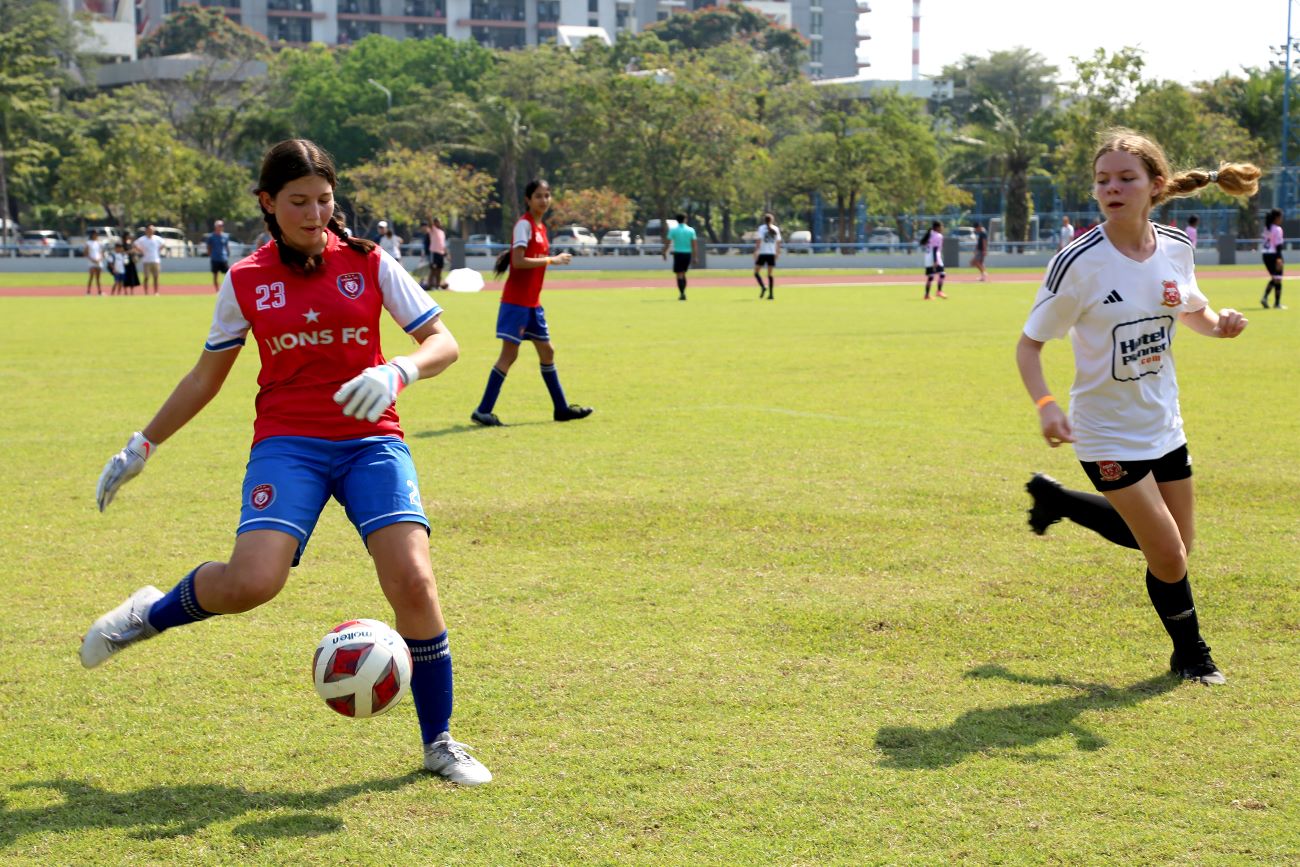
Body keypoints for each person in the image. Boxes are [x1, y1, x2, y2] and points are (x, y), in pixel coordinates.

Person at [83, 138, 492, 786]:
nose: (314, 214)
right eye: (298, 202)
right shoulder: (246, 279)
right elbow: (205, 377)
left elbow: (443, 341)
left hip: (372, 441)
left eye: (324, 200)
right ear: (267, 203)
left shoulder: (368, 261)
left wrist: (397, 370)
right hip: (288, 443)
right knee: (253, 582)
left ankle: (439, 741)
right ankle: (147, 614)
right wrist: (142, 445)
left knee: (414, 580)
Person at [1016, 127, 1260, 686]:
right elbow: (1029, 345)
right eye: (1103, 180)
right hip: (1103, 432)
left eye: (1126, 178)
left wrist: (1220, 325)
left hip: (1164, 424)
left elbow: (1190, 309)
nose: (1112, 188)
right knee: (1168, 552)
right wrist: (1047, 404)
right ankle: (1192, 655)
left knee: (1172, 548)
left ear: (1155, 184)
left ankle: (1059, 500)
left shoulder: (1176, 247)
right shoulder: (1077, 262)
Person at [471, 179, 592, 427]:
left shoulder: (541, 227)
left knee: (547, 351)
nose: (544, 200)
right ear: (528, 199)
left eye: (547, 195)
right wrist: (551, 260)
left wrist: (549, 260)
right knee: (509, 356)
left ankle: (561, 409)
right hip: (516, 303)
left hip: (532, 304)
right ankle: (483, 411)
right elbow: (518, 261)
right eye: (538, 196)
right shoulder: (524, 225)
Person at [663, 213, 697, 301]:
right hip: (687, 254)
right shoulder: (691, 230)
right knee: (683, 273)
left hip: (678, 254)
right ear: (685, 219)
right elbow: (694, 245)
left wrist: (664, 252)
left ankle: (682, 293)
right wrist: (695, 257)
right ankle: (683, 292)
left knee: (679, 274)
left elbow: (668, 242)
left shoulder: (673, 230)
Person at [753, 212, 781, 300]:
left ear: (764, 220)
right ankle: (771, 295)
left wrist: (756, 251)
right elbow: (778, 242)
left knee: (756, 272)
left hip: (763, 253)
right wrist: (777, 252)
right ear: (772, 220)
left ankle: (763, 287)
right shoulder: (776, 229)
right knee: (770, 274)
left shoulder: (761, 228)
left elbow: (759, 241)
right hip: (771, 253)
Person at [1261, 208, 1285, 310]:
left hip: (1265, 255)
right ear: (1276, 218)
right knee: (1278, 278)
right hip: (1274, 255)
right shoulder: (1277, 229)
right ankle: (1277, 303)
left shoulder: (1267, 228)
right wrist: (1279, 259)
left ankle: (1265, 298)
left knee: (1275, 278)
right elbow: (1278, 245)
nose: (1281, 220)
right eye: (1280, 217)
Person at [134, 224, 165, 295]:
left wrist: (159, 250)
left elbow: (163, 244)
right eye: (150, 229)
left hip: (156, 260)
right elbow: (135, 244)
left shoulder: (157, 238)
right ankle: (146, 292)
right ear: (146, 230)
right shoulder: (142, 239)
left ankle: (156, 292)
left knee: (156, 277)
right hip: (146, 261)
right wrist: (141, 251)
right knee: (146, 277)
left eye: (153, 229)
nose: (151, 231)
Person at [920, 221, 946, 299]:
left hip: (927, 257)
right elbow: (935, 248)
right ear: (937, 227)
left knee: (931, 276)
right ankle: (939, 291)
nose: (942, 228)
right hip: (934, 257)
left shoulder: (930, 233)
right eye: (941, 226)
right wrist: (935, 261)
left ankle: (927, 295)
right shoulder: (938, 236)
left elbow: (922, 242)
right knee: (942, 274)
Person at [206, 219, 232, 292]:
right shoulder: (211, 237)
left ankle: (227, 289)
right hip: (215, 258)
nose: (221, 227)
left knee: (228, 274)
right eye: (219, 226)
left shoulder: (225, 236)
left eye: (222, 226)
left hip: (223, 258)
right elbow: (209, 247)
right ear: (216, 226)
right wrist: (211, 255)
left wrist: (228, 253)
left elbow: (226, 246)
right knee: (215, 275)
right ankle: (217, 290)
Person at [426, 217, 448, 291]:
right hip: (434, 253)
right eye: (437, 222)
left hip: (441, 254)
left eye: (440, 222)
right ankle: (430, 286)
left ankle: (437, 286)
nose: (439, 223)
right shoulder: (433, 230)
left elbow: (443, 244)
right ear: (435, 223)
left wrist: (446, 253)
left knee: (439, 270)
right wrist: (429, 216)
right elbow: (430, 223)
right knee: (433, 270)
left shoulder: (442, 232)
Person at [121, 231, 141, 296]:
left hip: (131, 262)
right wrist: (130, 251)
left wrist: (135, 252)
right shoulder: (122, 244)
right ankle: (125, 291)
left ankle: (132, 291)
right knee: (125, 276)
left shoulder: (131, 243)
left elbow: (135, 250)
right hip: (125, 262)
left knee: (132, 276)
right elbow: (122, 252)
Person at [85, 230, 104, 296]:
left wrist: (100, 259)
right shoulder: (88, 243)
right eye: (95, 234)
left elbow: (101, 253)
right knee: (91, 277)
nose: (96, 235)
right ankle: (88, 292)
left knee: (98, 278)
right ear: (92, 235)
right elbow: (86, 253)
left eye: (97, 234)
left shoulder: (99, 242)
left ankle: (100, 292)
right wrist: (92, 260)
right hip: (92, 262)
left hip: (98, 262)